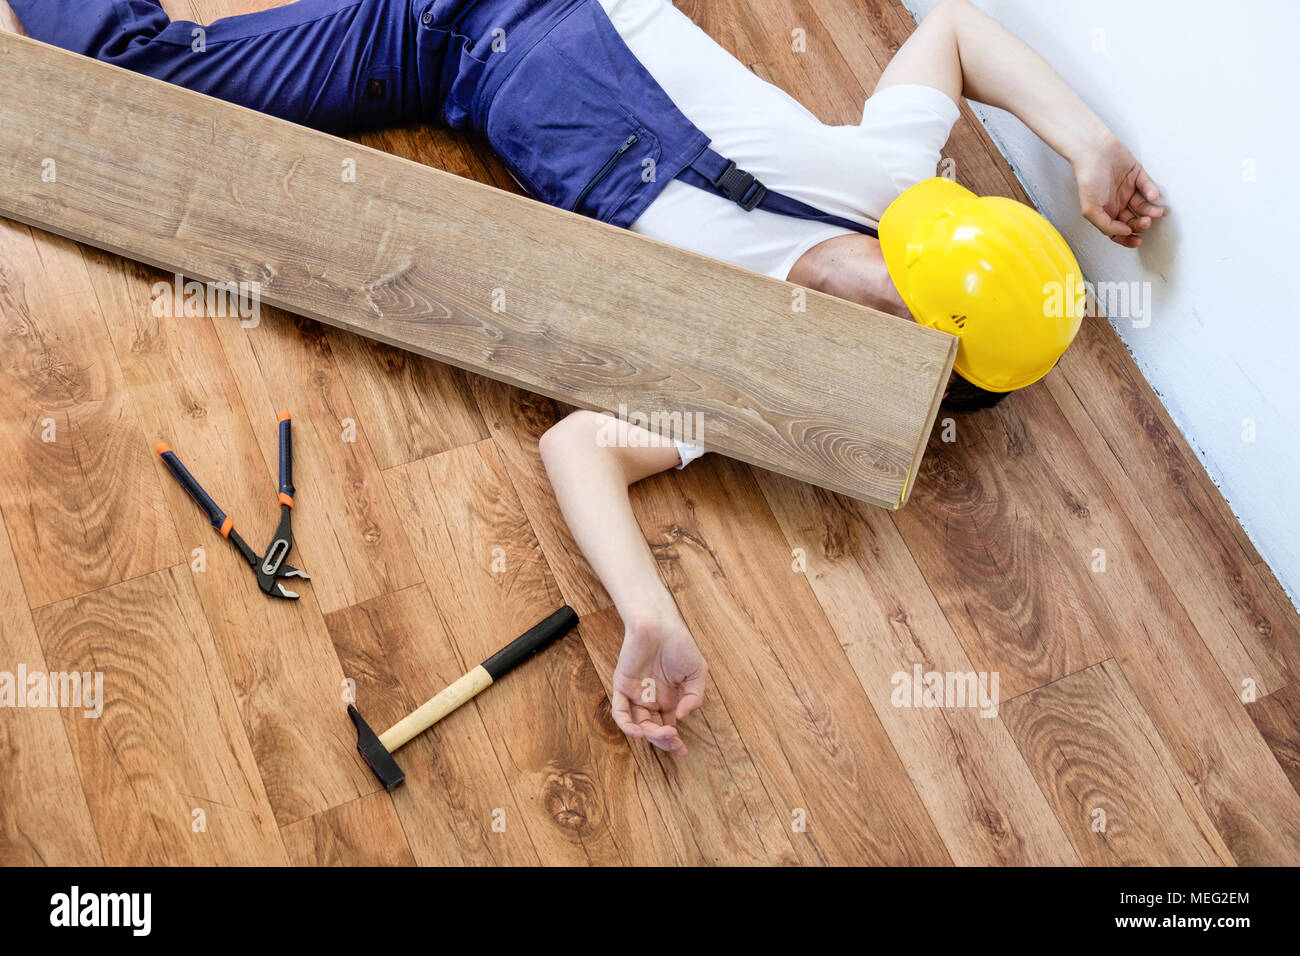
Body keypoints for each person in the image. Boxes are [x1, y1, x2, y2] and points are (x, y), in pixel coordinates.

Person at [9, 0, 1164, 755]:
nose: (884, 249)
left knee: (128, 73)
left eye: (902, 275)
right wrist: (1084, 145)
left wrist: (648, 612)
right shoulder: (892, 173)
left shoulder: (765, 366)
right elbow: (955, 35)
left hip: (442, 39)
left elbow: (579, 444)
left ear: (917, 349)